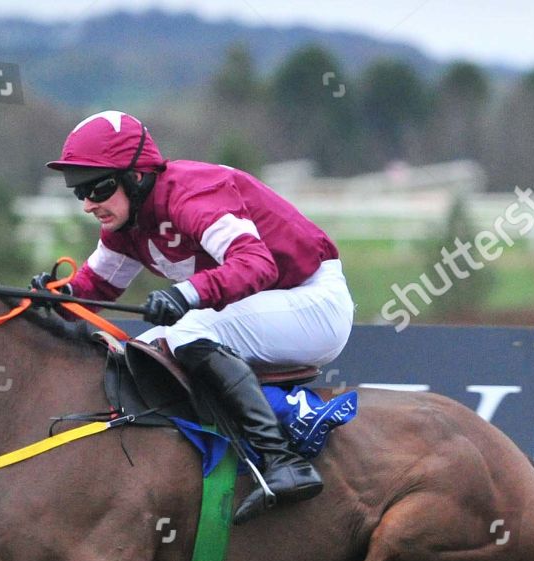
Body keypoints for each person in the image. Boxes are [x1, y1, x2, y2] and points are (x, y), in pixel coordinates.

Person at [36, 110, 355, 524]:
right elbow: (93, 291)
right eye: (78, 190)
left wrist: (186, 294)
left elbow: (256, 264)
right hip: (267, 308)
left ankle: (284, 461)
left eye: (97, 187)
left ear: (136, 176)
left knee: (187, 331)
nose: (88, 204)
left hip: (313, 301)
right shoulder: (124, 225)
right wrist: (51, 298)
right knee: (145, 351)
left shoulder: (190, 193)